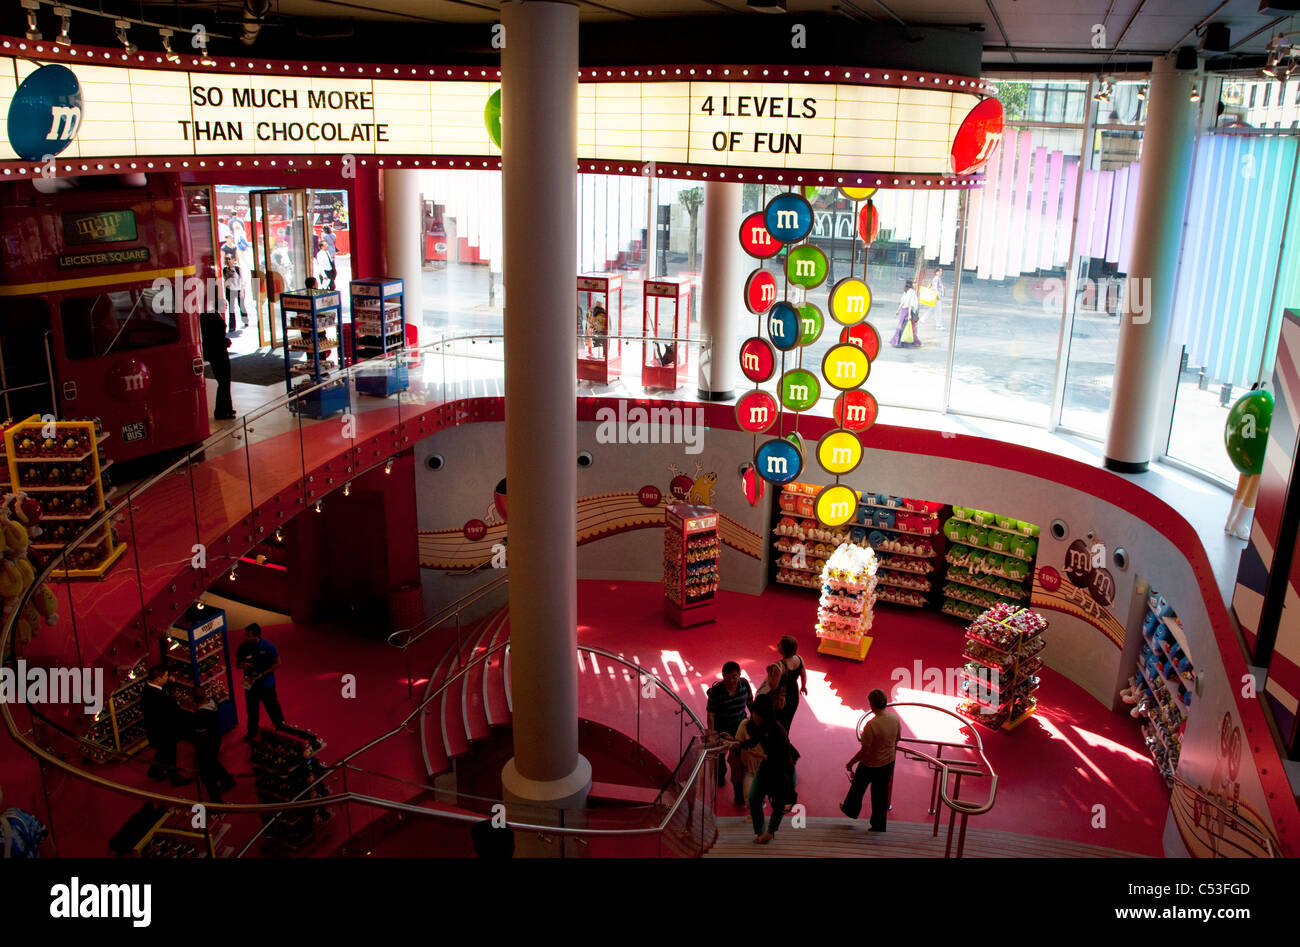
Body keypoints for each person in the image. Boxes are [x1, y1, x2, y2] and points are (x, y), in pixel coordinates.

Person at [732, 694, 798, 844]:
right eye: (754, 712)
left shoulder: (778, 732)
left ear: (766, 714)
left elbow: (782, 759)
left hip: (782, 771)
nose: (755, 717)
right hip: (767, 766)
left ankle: (770, 832)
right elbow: (753, 740)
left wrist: (762, 755)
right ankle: (761, 831)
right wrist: (737, 744)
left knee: (779, 803)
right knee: (754, 797)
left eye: (758, 714)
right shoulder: (759, 726)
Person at [841, 688, 902, 833]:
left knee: (857, 787)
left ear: (872, 704)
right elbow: (897, 739)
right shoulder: (894, 718)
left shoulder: (871, 725)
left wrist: (851, 763)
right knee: (880, 795)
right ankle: (879, 825)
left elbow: (865, 751)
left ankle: (850, 810)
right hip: (888, 762)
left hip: (870, 763)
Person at [705, 661, 753, 806]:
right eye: (727, 677)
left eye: (734, 676)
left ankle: (739, 796)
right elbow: (711, 714)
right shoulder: (716, 691)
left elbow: (751, 703)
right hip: (722, 730)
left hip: (739, 731)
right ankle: (720, 776)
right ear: (723, 676)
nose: (731, 680)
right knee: (719, 758)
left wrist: (755, 723)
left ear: (739, 675)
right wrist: (713, 733)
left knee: (738, 765)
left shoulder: (744, 685)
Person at [235, 623, 287, 742]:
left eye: (249, 636)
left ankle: (281, 728)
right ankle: (252, 730)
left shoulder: (268, 646)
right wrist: (242, 665)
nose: (246, 638)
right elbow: (237, 664)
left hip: (266, 684)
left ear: (257, 635)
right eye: (245, 635)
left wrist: (263, 673)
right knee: (252, 710)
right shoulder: (243, 647)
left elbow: (278, 663)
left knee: (273, 707)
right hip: (250, 684)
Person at [142, 666, 187, 785]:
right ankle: (175, 779)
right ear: (158, 679)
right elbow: (171, 709)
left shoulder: (148, 689)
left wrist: (169, 683)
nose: (169, 678)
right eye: (166, 676)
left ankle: (154, 771)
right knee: (170, 752)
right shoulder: (158, 696)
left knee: (163, 751)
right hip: (163, 730)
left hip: (156, 729)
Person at [191, 686, 235, 803]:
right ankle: (227, 780)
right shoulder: (212, 702)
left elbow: (201, 736)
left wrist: (197, 751)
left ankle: (216, 802)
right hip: (216, 737)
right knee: (213, 761)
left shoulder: (201, 715)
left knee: (207, 773)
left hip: (207, 743)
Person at [199, 311, 236, 421]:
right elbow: (215, 338)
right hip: (218, 352)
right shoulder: (210, 317)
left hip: (216, 352)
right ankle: (221, 410)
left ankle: (227, 408)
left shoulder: (206, 316)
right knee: (224, 381)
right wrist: (225, 342)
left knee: (224, 381)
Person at [776, 635, 807, 734]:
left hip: (783, 696)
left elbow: (775, 684)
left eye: (780, 645)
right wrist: (803, 686)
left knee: (778, 720)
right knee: (787, 721)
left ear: (784, 650)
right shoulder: (799, 659)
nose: (777, 645)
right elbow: (803, 674)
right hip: (794, 693)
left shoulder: (781, 665)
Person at [889, 279, 921, 349]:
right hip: (908, 311)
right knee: (909, 327)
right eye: (914, 283)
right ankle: (912, 342)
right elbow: (910, 303)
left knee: (902, 326)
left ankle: (897, 341)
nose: (916, 284)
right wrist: (909, 314)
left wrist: (898, 310)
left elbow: (903, 302)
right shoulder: (912, 292)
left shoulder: (906, 291)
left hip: (904, 310)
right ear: (911, 284)